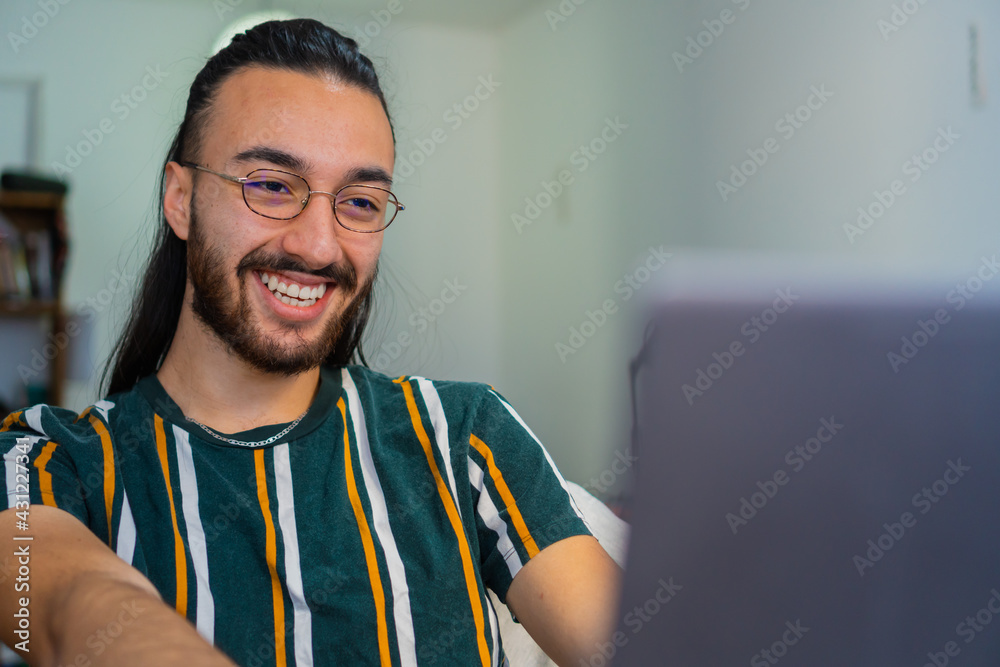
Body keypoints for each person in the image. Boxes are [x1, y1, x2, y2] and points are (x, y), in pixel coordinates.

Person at [0, 18, 620, 667]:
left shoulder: (466, 435)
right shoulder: (40, 461)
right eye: (270, 184)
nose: (318, 246)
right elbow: (65, 600)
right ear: (180, 199)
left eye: (359, 201)